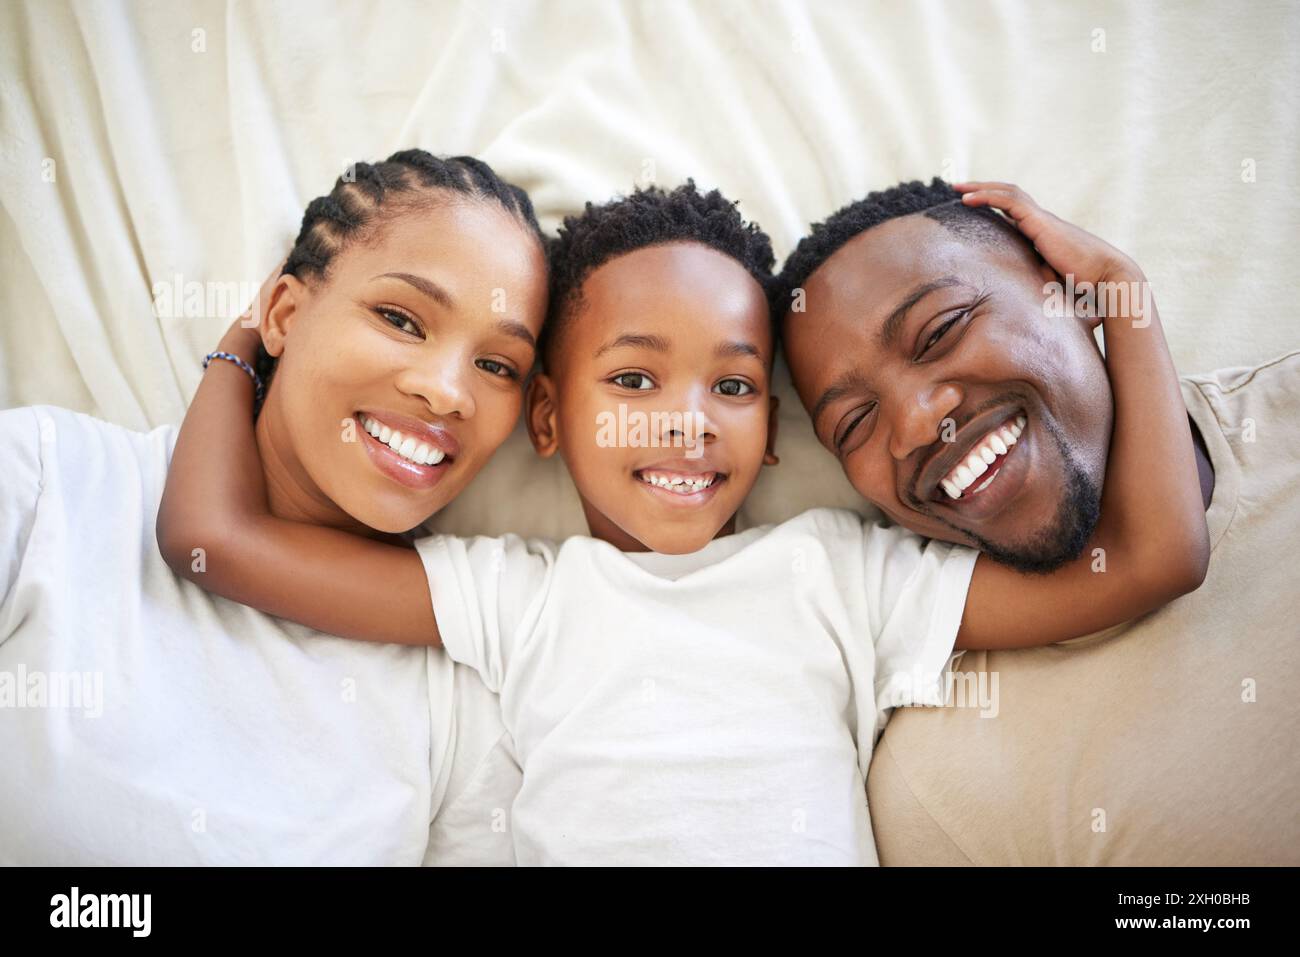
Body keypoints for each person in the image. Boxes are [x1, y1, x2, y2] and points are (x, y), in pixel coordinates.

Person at [155, 180, 1209, 865]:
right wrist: (246, 343)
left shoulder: (840, 574)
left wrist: (1122, 296)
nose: (685, 422)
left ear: (777, 433)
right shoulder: (517, 596)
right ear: (549, 419)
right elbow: (213, 542)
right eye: (632, 377)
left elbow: (1153, 557)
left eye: (735, 388)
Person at [0, 149, 548, 864]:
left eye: (497, 365)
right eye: (401, 318)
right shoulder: (49, 483)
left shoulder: (462, 694)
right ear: (284, 314)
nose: (448, 391)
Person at [777, 178, 1300, 864]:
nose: (916, 421)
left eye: (939, 330)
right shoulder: (942, 797)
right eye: (854, 422)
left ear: (1073, 293)